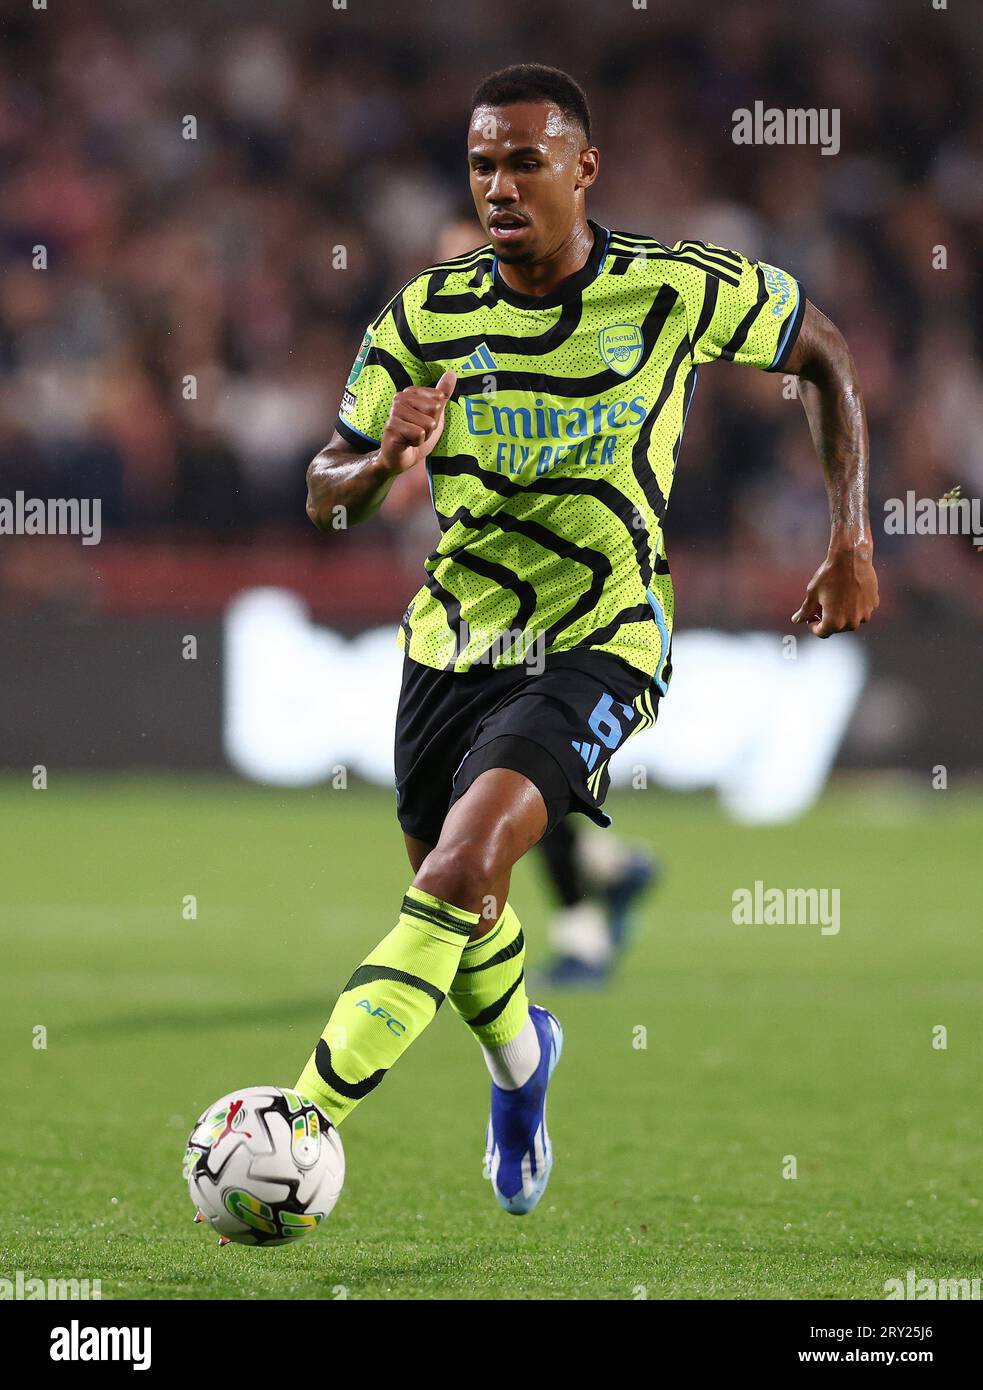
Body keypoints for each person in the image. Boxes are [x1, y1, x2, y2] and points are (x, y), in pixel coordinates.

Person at [296, 63, 879, 1216]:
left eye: (524, 160)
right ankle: (523, 1061)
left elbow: (823, 354)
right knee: (462, 911)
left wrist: (849, 536)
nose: (500, 186)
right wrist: (380, 462)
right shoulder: (424, 315)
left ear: (582, 167)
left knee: (461, 869)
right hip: (449, 645)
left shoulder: (672, 289)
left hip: (600, 636)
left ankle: (300, 1115)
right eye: (480, 165)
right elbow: (324, 492)